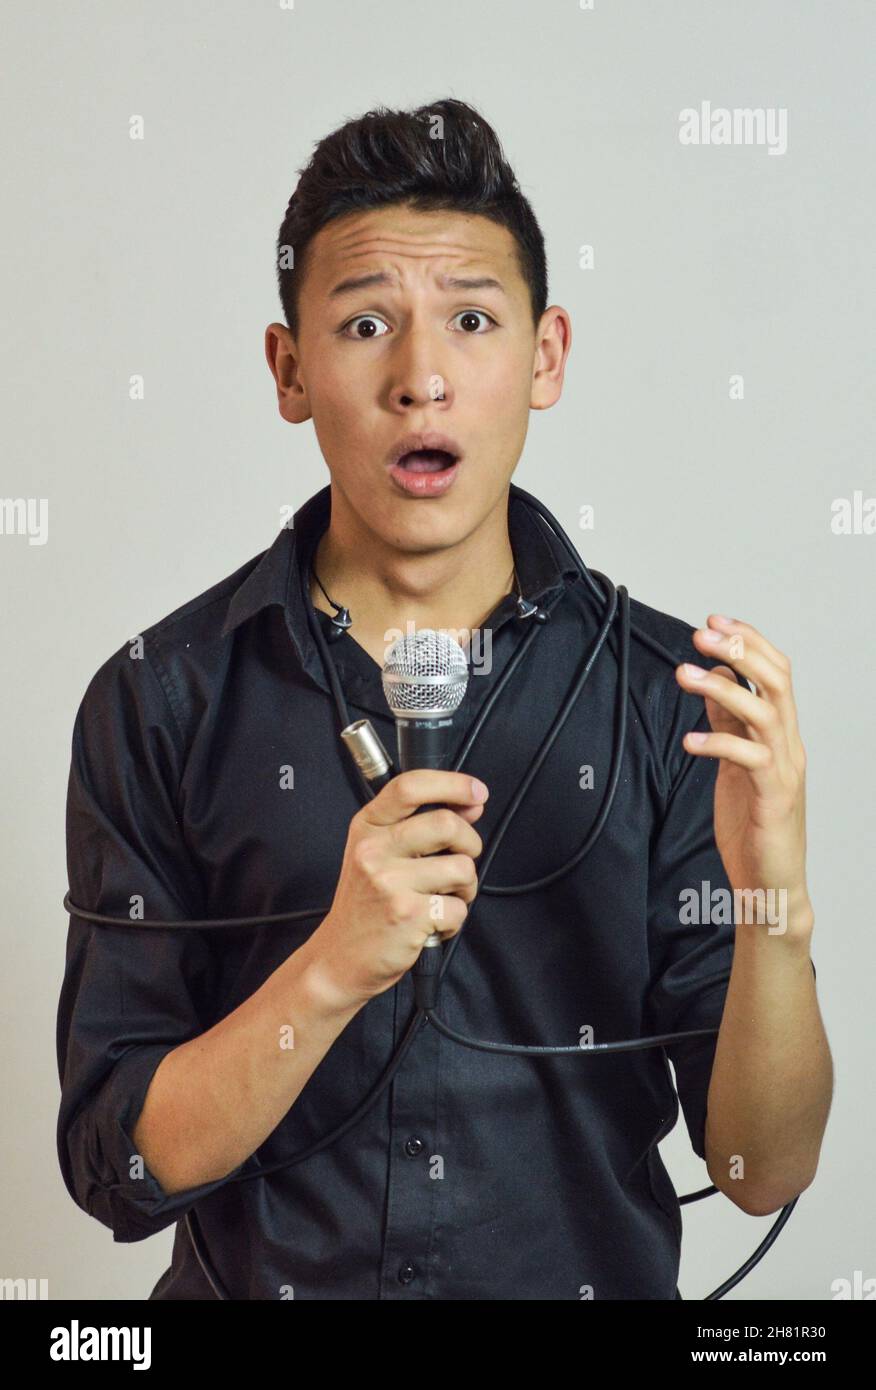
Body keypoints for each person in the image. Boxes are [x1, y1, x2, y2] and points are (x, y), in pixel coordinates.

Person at [56, 97, 831, 1300]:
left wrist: (774, 897)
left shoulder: (676, 700)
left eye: (471, 319)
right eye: (366, 323)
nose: (421, 377)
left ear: (546, 355)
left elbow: (758, 1168)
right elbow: (119, 1168)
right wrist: (332, 966)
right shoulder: (162, 700)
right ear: (290, 369)